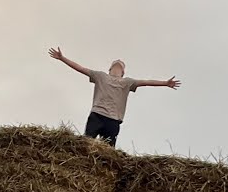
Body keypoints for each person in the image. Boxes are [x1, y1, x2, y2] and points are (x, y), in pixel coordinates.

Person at [48, 46, 180, 146]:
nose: (117, 67)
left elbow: (146, 82)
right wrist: (62, 58)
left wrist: (165, 83)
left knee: (108, 153)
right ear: (109, 70)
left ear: (123, 72)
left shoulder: (127, 82)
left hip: (113, 120)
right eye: (114, 66)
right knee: (86, 145)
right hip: (97, 114)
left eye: (120, 67)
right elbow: (81, 68)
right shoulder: (100, 76)